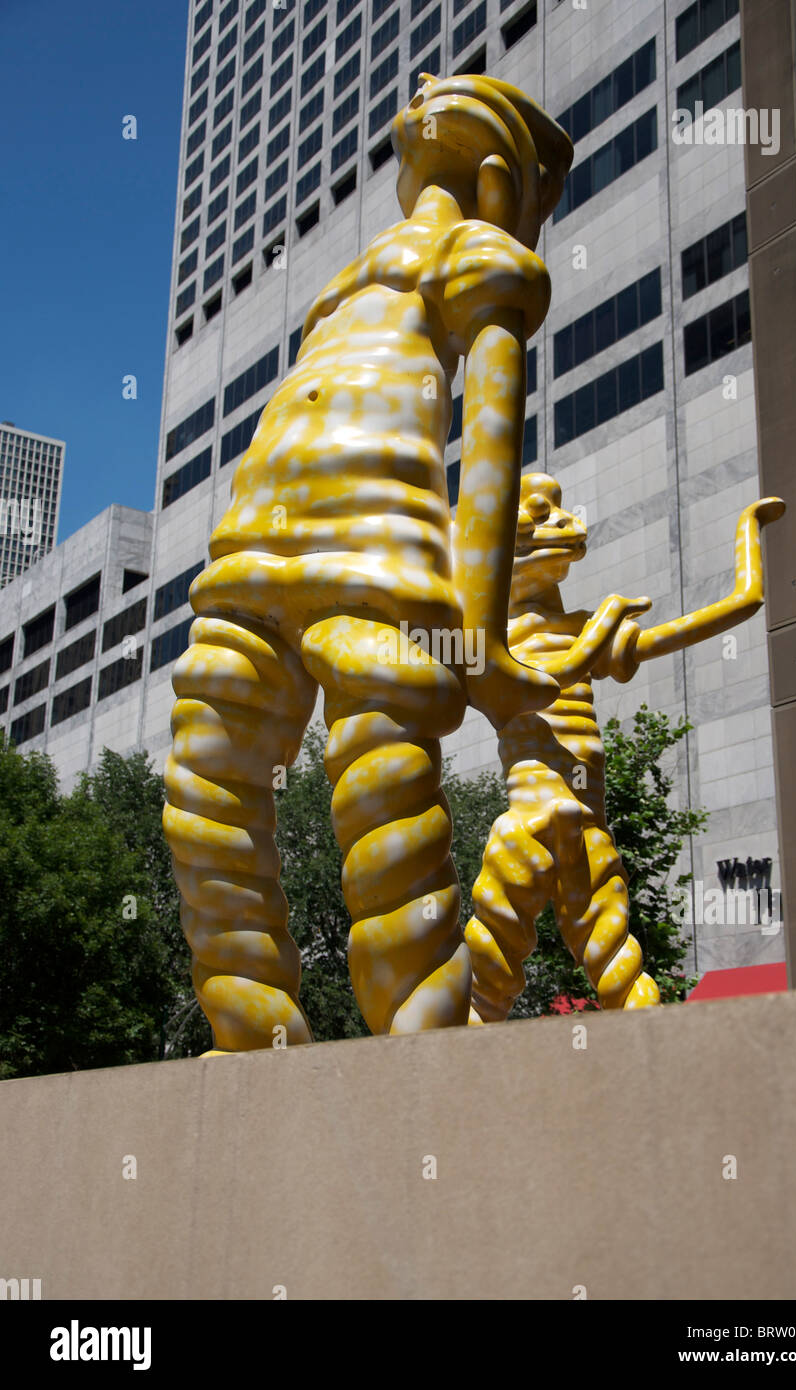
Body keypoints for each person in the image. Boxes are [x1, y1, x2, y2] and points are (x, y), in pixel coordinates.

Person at [162, 75, 574, 1050]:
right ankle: (262, 1054)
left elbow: (491, 438)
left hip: (378, 560)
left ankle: (425, 1094)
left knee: (381, 817)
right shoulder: (345, 281)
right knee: (201, 798)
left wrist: (475, 634)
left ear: (487, 178)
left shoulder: (480, 253)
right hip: (249, 558)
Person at [466, 472, 785, 1020]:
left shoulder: (580, 628)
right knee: (484, 987)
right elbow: (542, 680)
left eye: (556, 513)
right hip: (530, 817)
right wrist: (601, 627)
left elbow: (737, 605)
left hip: (588, 825)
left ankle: (664, 1082)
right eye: (537, 518)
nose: (563, 524)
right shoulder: (487, 644)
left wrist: (748, 538)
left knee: (625, 981)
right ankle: (446, 1090)